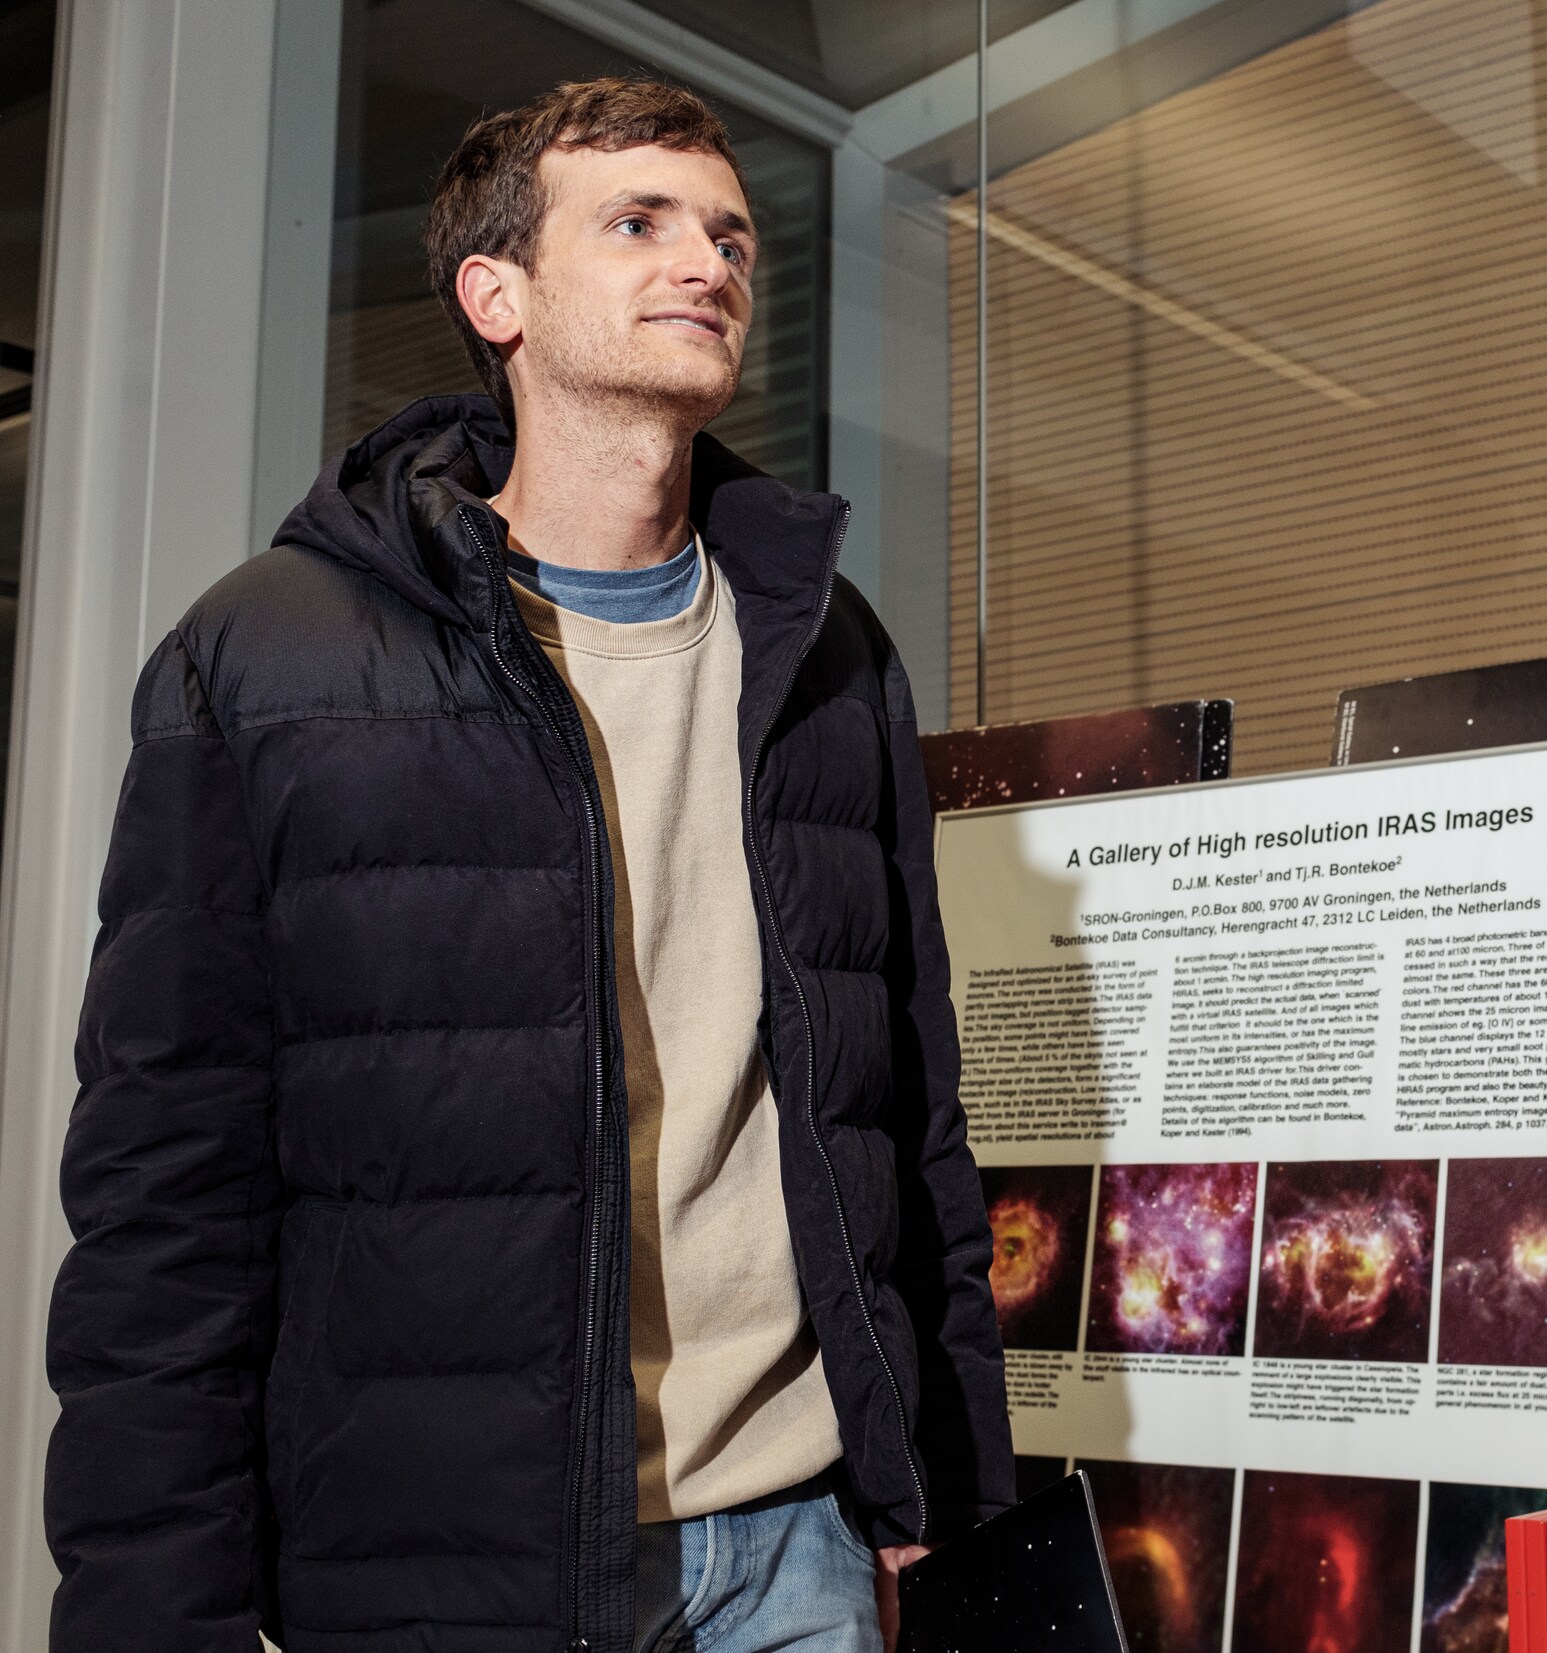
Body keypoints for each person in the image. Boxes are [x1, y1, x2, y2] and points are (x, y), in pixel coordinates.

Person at [43, 78, 1011, 1653]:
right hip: (447, 1570)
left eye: (728, 236)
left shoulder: (827, 649)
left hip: (799, 1544)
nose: (706, 261)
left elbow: (911, 1116)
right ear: (495, 293)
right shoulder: (271, 655)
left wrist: (936, 1493)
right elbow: (167, 1196)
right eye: (638, 222)